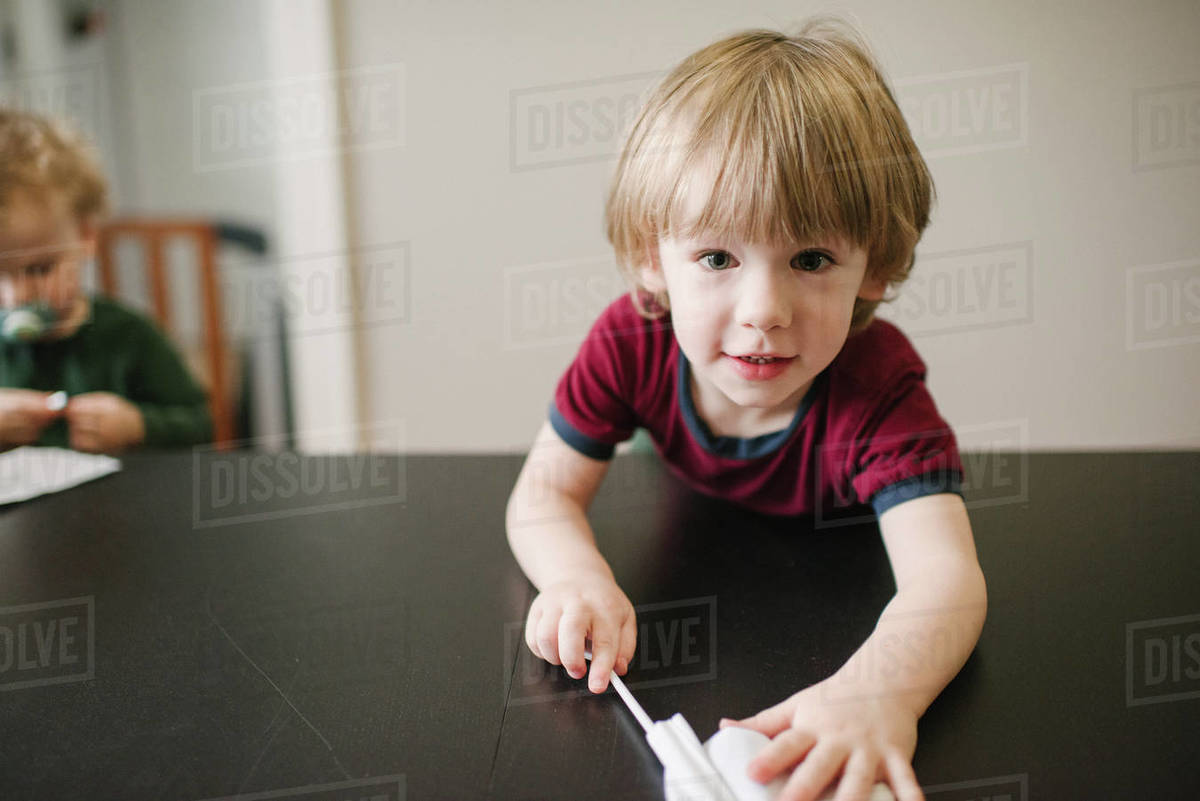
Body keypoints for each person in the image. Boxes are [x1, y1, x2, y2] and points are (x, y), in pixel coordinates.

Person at [505, 18, 987, 801]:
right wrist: (575, 578)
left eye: (811, 258)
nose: (764, 309)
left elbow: (948, 581)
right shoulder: (631, 341)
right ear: (649, 259)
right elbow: (543, 494)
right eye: (717, 257)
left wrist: (878, 694)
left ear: (878, 262)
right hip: (694, 550)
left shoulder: (878, 386)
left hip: (834, 591)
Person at [0, 108, 212, 453]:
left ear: (85, 235)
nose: (15, 297)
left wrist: (137, 426)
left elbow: (201, 426)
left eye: (39, 269)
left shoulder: (128, 335)